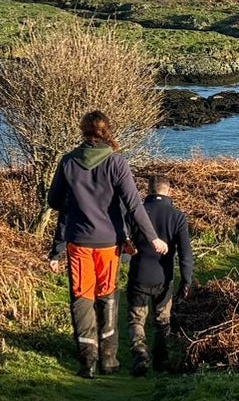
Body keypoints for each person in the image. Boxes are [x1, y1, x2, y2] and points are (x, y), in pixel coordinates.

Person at [47, 111, 166, 378]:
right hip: (109, 243)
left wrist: (74, 206)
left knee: (82, 297)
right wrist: (152, 237)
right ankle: (109, 359)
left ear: (83, 131)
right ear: (107, 131)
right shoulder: (117, 162)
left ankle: (87, 361)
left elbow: (54, 202)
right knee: (107, 294)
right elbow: (134, 204)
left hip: (78, 241)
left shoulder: (68, 162)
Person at [125, 174, 193, 377]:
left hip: (139, 275)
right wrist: (186, 281)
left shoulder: (137, 213)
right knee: (163, 321)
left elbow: (124, 240)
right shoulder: (178, 217)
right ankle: (161, 360)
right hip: (164, 278)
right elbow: (185, 253)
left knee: (136, 320)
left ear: (149, 190)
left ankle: (140, 354)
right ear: (168, 191)